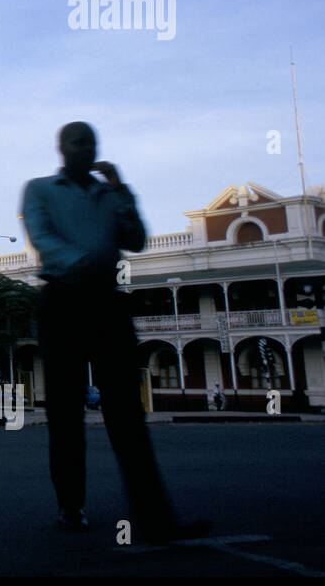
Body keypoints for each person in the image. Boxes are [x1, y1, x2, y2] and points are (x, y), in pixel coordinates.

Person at [21, 122, 210, 543]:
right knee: (65, 412)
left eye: (90, 142)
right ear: (61, 147)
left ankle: (156, 516)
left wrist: (121, 187)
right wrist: (83, 260)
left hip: (107, 302)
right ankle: (71, 506)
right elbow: (42, 238)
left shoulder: (109, 194)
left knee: (126, 412)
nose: (84, 148)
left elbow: (137, 239)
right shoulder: (39, 189)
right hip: (63, 300)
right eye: (77, 141)